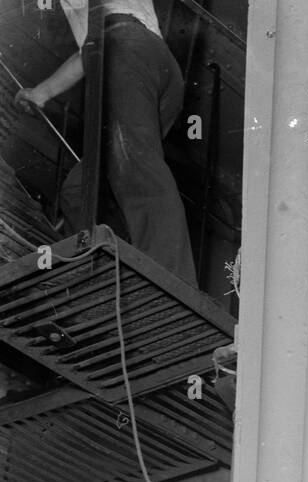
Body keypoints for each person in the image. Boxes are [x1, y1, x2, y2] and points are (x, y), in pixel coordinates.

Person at [14, 0, 197, 286]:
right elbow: (85, 53)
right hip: (145, 57)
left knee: (136, 171)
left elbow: (107, 36)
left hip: (123, 47)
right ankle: (111, 275)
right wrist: (43, 91)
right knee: (78, 190)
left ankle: (167, 278)